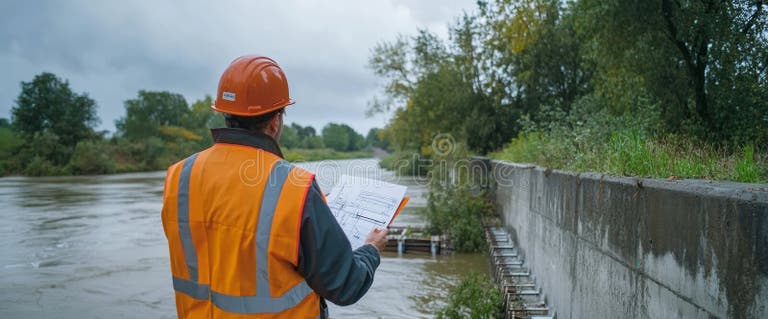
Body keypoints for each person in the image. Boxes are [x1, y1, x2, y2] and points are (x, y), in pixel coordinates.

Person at [161, 55, 388, 319]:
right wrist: (371, 250)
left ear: (225, 114)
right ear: (274, 122)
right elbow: (346, 284)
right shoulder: (295, 189)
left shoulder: (178, 176)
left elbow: (224, 239)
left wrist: (308, 210)